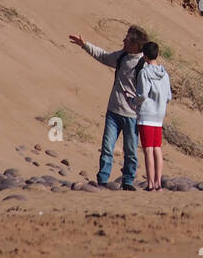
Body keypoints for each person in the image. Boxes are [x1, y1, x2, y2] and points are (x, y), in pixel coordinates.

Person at [69, 25, 146, 191]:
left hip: (132, 116)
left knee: (130, 150)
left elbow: (149, 92)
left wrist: (138, 104)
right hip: (113, 112)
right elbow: (104, 56)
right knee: (107, 147)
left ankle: (128, 181)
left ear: (134, 43)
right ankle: (103, 179)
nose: (123, 40)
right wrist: (85, 45)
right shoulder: (122, 56)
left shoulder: (143, 65)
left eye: (127, 38)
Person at [136, 41, 171, 192]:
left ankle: (151, 184)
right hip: (159, 115)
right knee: (157, 148)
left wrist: (132, 99)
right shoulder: (164, 74)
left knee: (148, 150)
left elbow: (142, 94)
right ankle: (158, 183)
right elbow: (168, 96)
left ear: (144, 56)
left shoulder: (144, 72)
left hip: (147, 114)